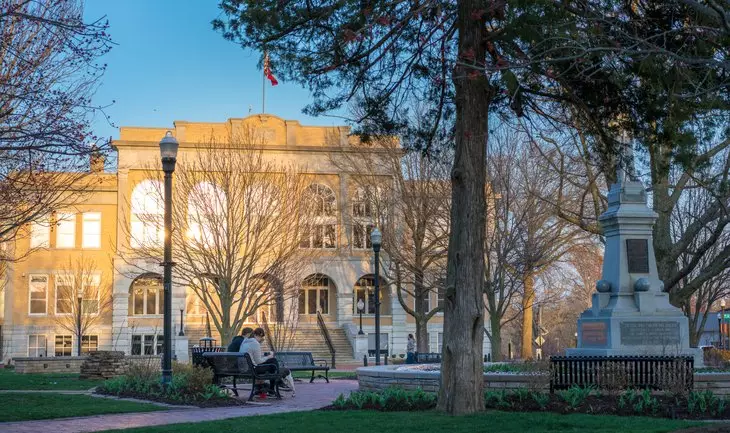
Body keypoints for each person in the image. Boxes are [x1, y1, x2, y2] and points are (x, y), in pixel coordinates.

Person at [239, 328, 295, 397]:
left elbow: (254, 358)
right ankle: (277, 383)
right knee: (273, 361)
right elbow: (258, 361)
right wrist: (269, 357)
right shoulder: (255, 343)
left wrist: (265, 358)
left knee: (272, 364)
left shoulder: (244, 342)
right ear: (256, 335)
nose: (261, 339)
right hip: (253, 369)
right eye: (261, 337)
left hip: (244, 369)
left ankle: (277, 384)